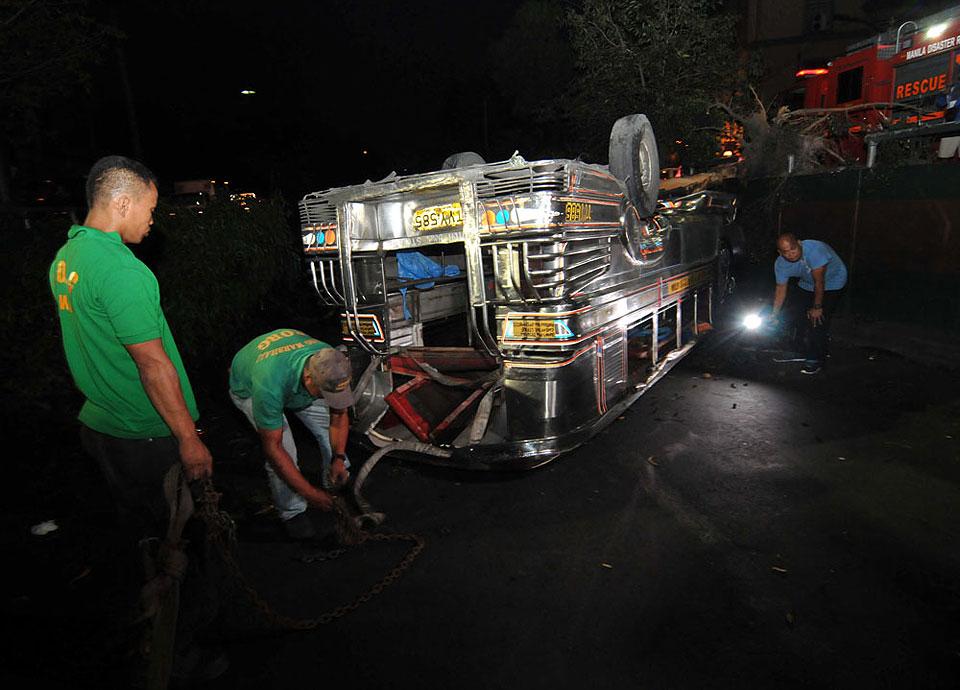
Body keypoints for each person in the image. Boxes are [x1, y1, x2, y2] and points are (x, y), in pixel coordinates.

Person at [49, 155, 226, 681]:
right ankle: (180, 653)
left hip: (102, 429)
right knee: (183, 549)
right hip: (147, 437)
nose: (153, 220)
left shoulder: (66, 257)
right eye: (149, 208)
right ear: (122, 202)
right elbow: (152, 365)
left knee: (143, 540)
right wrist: (188, 439)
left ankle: (144, 629)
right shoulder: (123, 271)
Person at [228, 329, 354, 540]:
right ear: (308, 378)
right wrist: (310, 493)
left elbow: (339, 414)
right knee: (286, 449)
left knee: (327, 428)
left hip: (293, 380)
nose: (328, 398)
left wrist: (338, 457)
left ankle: (335, 476)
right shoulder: (269, 384)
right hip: (250, 387)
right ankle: (292, 511)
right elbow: (274, 448)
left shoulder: (333, 365)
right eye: (324, 393)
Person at [769, 232, 848, 375]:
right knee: (794, 313)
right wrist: (774, 314)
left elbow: (819, 282)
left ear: (799, 243)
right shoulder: (780, 264)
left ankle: (816, 358)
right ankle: (798, 349)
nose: (791, 254)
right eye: (786, 252)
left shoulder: (815, 250)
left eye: (793, 249)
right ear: (780, 253)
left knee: (817, 319)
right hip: (807, 283)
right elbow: (780, 289)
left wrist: (817, 307)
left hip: (833, 281)